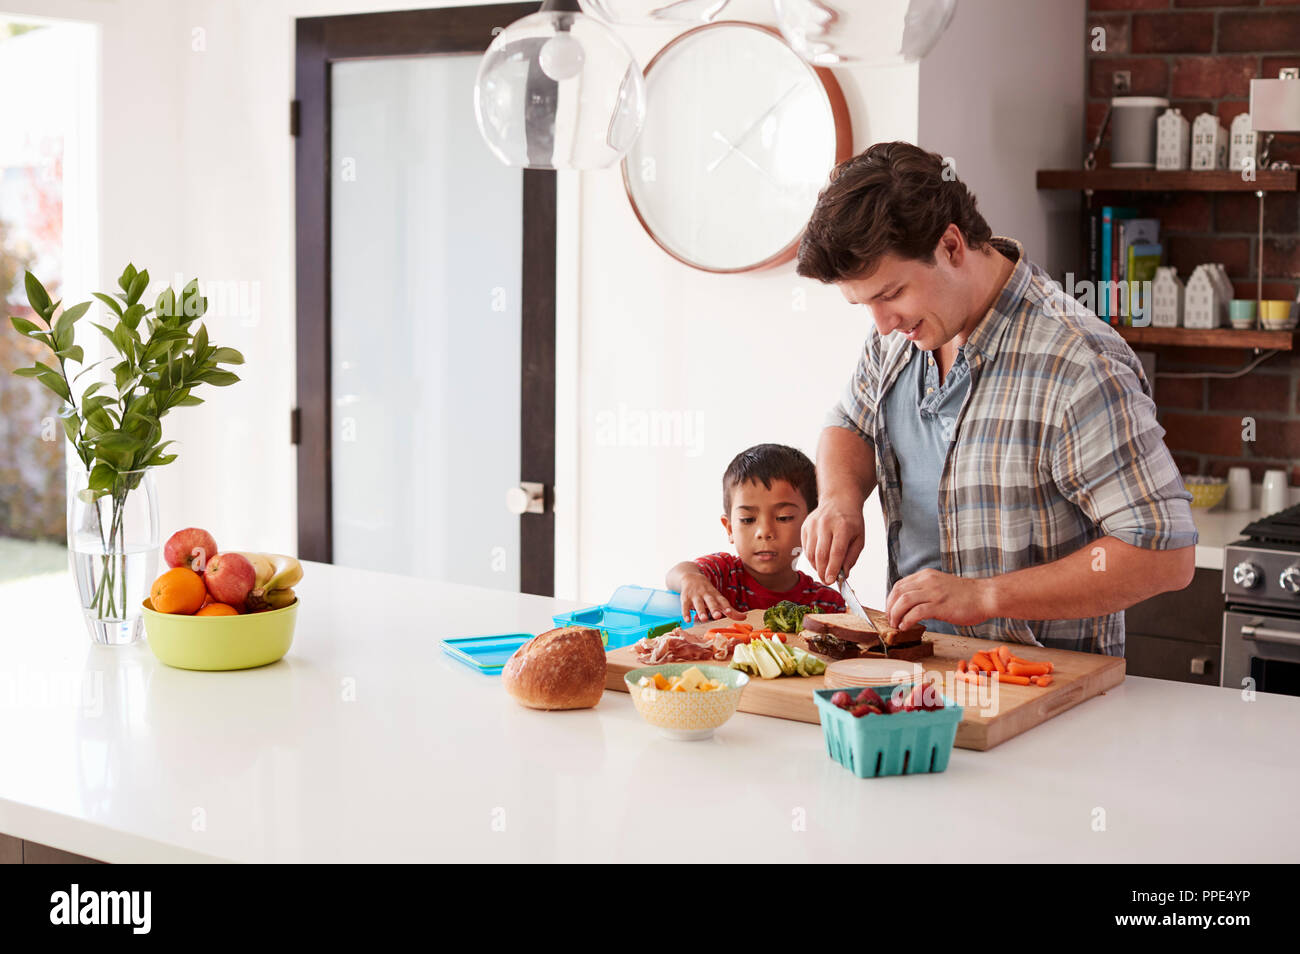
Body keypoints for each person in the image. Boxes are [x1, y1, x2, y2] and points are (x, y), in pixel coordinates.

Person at [796, 141, 1197, 655]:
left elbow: (1164, 553)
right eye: (865, 304)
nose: (883, 323)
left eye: (891, 293)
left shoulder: (1077, 366)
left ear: (951, 246)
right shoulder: (898, 337)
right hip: (920, 681)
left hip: (1044, 700)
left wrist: (986, 596)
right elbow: (850, 423)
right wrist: (839, 498)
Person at [667, 443, 846, 623]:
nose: (764, 532)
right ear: (729, 528)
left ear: (812, 525)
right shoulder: (722, 575)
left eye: (783, 518)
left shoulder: (827, 604)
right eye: (747, 519)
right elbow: (676, 573)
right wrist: (690, 578)